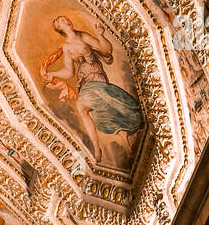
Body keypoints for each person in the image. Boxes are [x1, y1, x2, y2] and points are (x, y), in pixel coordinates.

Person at [40, 15, 143, 165]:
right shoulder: (67, 48)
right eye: (62, 21)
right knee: (104, 110)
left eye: (65, 19)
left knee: (82, 107)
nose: (66, 21)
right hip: (84, 80)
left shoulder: (84, 36)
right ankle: (121, 136)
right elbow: (69, 72)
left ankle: (97, 148)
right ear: (60, 29)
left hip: (95, 75)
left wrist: (101, 35)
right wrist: (53, 74)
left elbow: (106, 50)